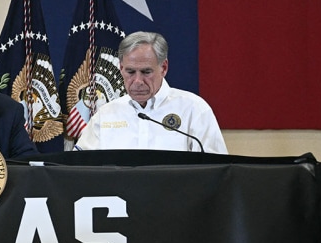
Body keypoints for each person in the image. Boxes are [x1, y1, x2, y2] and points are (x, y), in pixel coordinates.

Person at [76, 31, 228, 153]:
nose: (137, 81)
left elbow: (214, 171)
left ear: (164, 68)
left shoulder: (194, 109)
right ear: (121, 68)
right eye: (130, 71)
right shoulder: (106, 114)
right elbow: (80, 167)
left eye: (146, 72)